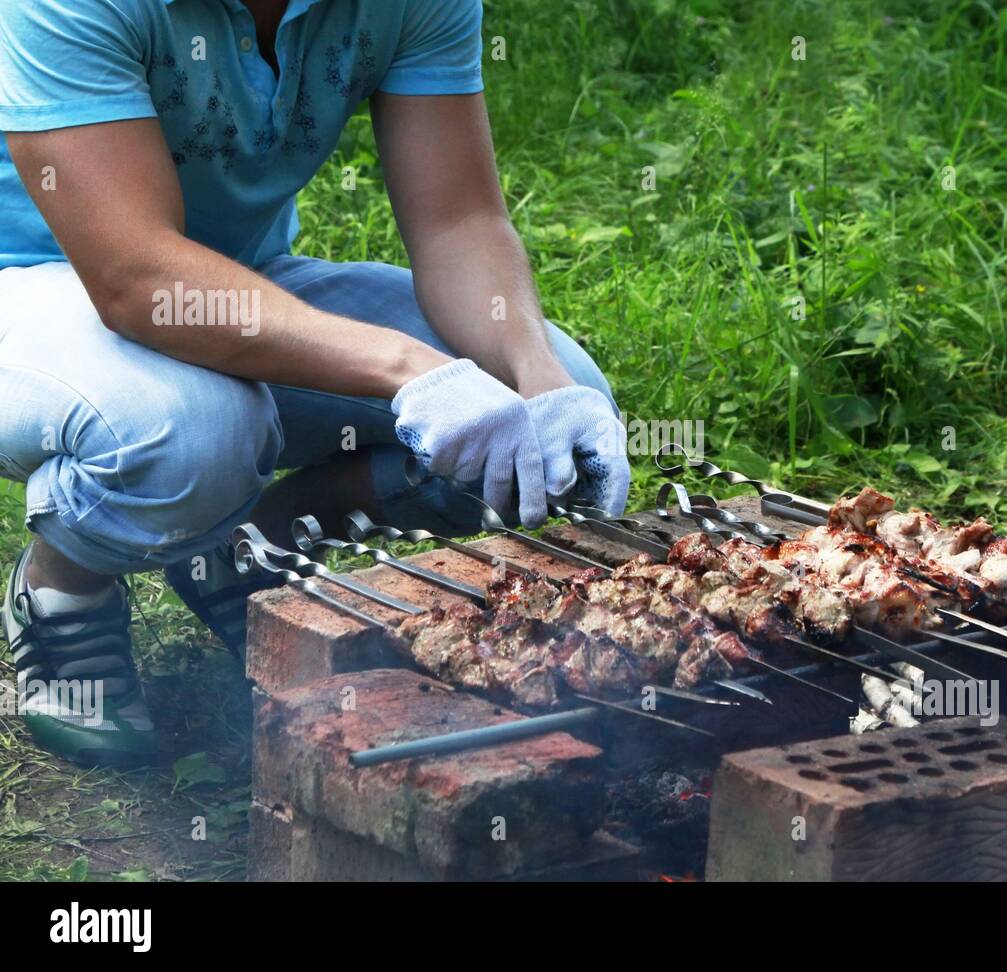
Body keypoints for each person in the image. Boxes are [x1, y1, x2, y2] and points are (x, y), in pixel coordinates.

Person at [0, 0, 630, 767]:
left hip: (238, 282)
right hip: (32, 283)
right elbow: (139, 280)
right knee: (196, 433)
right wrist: (412, 370)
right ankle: (63, 586)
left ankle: (242, 551)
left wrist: (541, 381)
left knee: (539, 416)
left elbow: (458, 222)